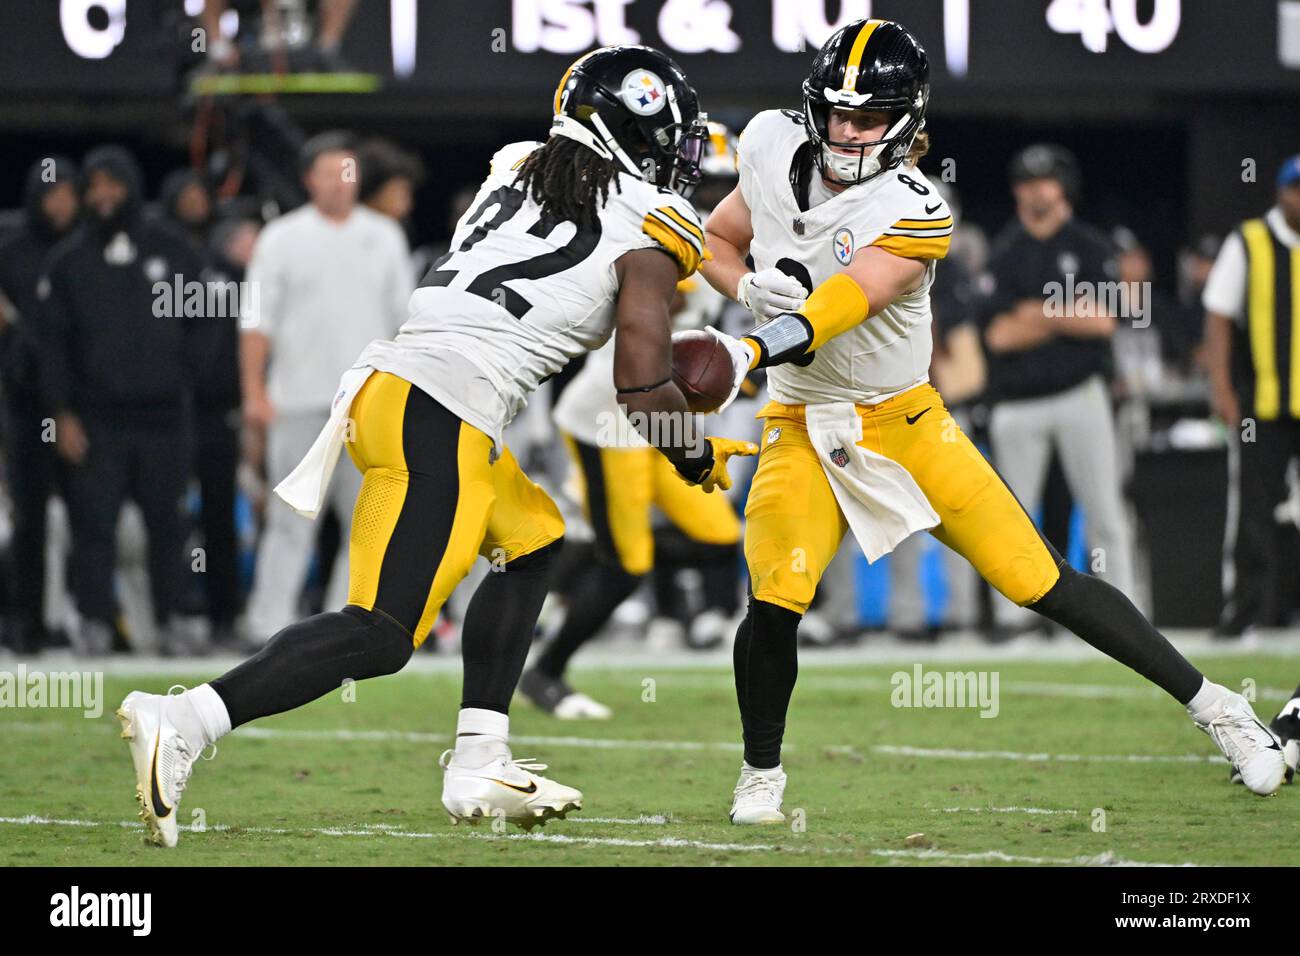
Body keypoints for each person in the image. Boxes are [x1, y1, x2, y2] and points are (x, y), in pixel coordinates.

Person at [115, 45, 755, 847]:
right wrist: (693, 451)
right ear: (632, 131)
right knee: (381, 632)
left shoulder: (519, 165)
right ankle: (186, 718)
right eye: (668, 135)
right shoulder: (649, 225)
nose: (677, 155)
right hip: (442, 410)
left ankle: (481, 757)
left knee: (534, 542)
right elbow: (639, 382)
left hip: (407, 390)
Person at [698, 18, 1285, 824]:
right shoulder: (767, 144)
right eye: (835, 112)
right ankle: (760, 775)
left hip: (904, 420)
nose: (845, 131)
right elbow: (717, 238)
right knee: (775, 597)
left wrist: (748, 349)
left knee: (1037, 578)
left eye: (865, 118)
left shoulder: (916, 205)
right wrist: (743, 290)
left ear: (905, 122)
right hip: (802, 418)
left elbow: (843, 301)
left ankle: (1220, 708)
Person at [521, 125, 746, 719]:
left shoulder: (703, 242)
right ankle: (545, 672)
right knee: (629, 567)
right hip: (611, 417)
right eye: (712, 187)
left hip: (658, 411)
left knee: (719, 536)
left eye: (730, 188)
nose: (718, 202)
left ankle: (579, 551)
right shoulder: (662, 242)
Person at [240, 131, 411, 642]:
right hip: (297, 401)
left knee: (368, 523)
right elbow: (256, 322)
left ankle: (344, 624)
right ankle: (267, 625)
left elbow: (403, 321)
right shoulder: (282, 238)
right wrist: (255, 394)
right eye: (330, 173)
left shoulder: (384, 236)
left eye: (349, 173)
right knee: (292, 522)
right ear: (308, 179)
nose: (341, 184)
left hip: (368, 405)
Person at [39, 146, 209, 655]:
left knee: (169, 525)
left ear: (132, 187)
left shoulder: (173, 249)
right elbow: (53, 345)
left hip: (163, 418)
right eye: (94, 186)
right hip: (98, 420)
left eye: (112, 184)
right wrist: (61, 412)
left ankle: (174, 621)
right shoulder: (69, 262)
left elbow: (204, 328)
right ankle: (95, 623)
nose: (103, 195)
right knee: (94, 527)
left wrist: (181, 383)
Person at [1203, 154, 1300, 640]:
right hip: (1263, 403)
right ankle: (1243, 610)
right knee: (1254, 512)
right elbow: (1218, 316)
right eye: (1296, 189)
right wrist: (1221, 386)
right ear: (1281, 193)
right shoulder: (1250, 241)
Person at [0, 156, 80, 654]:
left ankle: (79, 618)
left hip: (84, 403)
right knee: (28, 518)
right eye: (51, 193)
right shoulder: (10, 253)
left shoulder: (84, 252)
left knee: (87, 521)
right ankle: (23, 619)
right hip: (26, 404)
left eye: (68, 192)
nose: (60, 203)